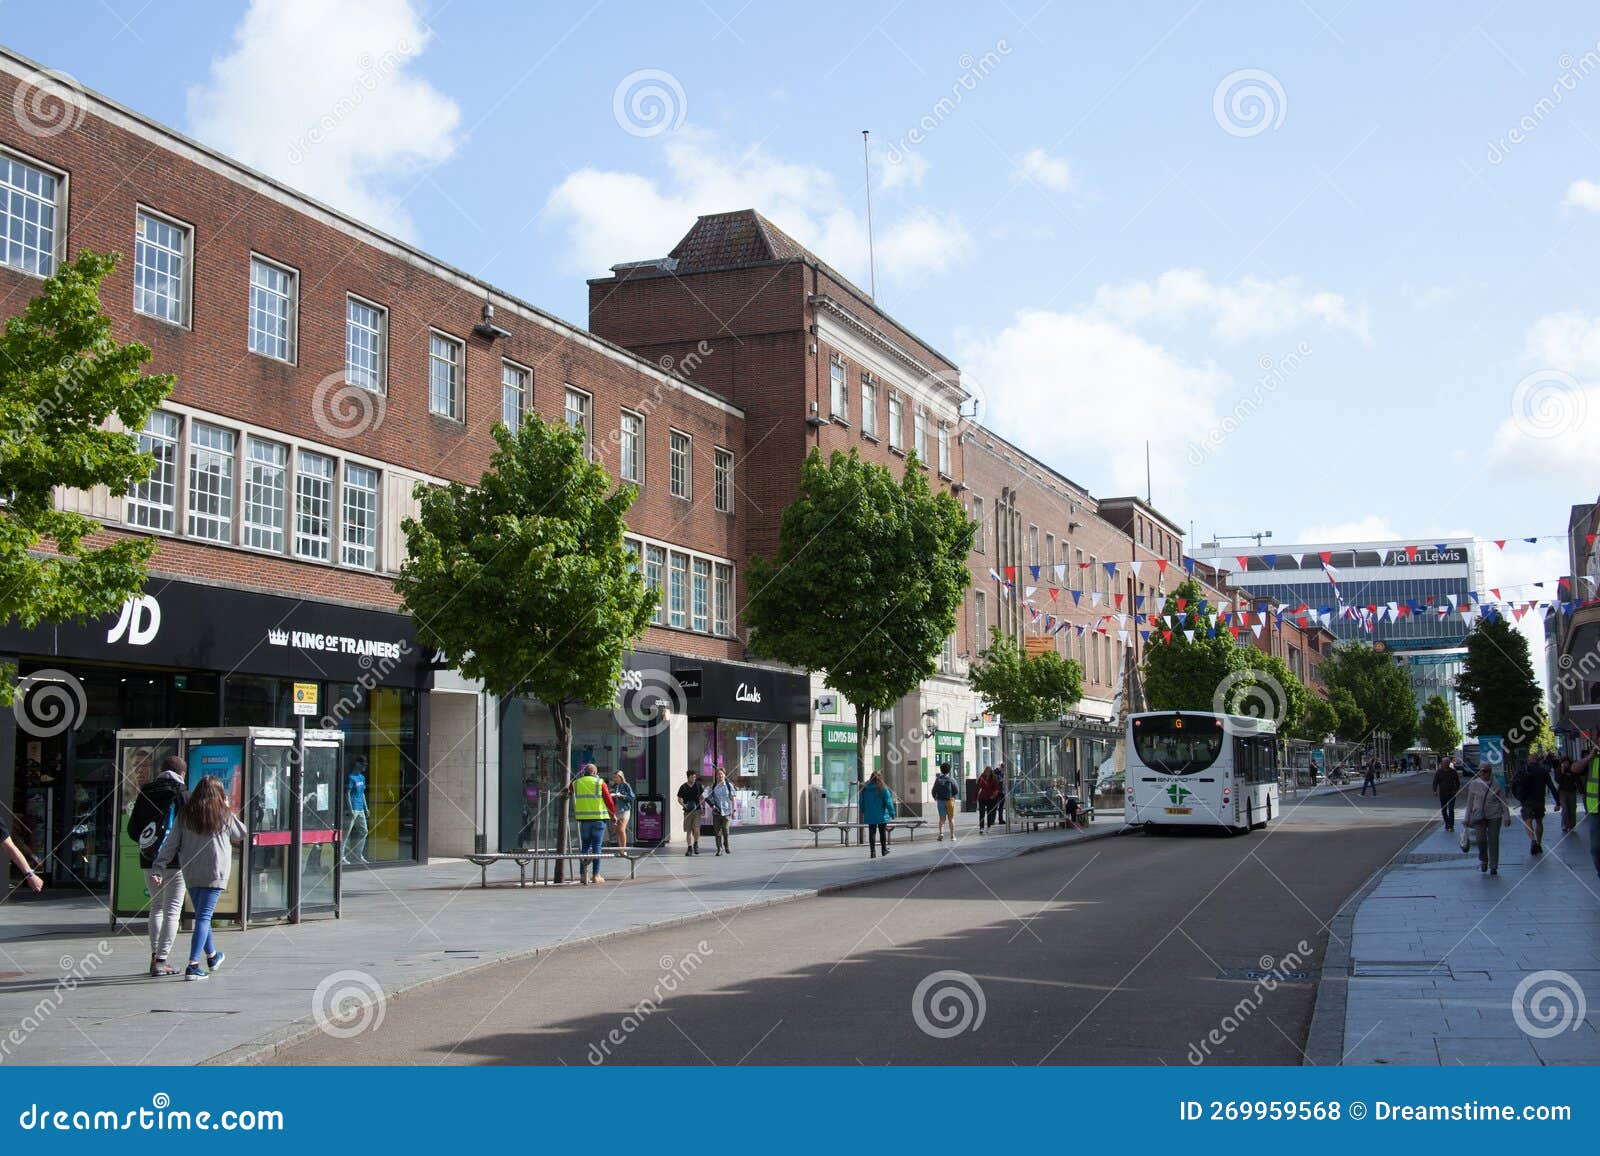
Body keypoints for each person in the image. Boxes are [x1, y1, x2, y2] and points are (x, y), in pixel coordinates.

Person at [150, 776, 245, 980]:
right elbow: (242, 833)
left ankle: (212, 956)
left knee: (203, 915)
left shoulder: (185, 815)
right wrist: (227, 806)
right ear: (220, 794)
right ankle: (193, 965)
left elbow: (170, 844)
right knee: (204, 917)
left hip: (191, 873)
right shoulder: (223, 814)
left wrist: (158, 867)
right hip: (215, 873)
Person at [128, 755, 190, 976]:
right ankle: (162, 960)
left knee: (156, 907)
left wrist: (149, 844)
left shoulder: (146, 792)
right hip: (176, 860)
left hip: (150, 858)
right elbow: (190, 829)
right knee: (173, 910)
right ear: (182, 774)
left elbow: (133, 830)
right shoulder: (183, 794)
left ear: (161, 771)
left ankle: (154, 955)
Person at [562, 763, 615, 884]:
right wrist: (613, 815)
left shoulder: (576, 783)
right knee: (597, 846)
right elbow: (608, 800)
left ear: (584, 772)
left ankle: (583, 875)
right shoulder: (600, 783)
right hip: (599, 819)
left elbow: (569, 790)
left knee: (585, 847)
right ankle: (596, 875)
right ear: (595, 772)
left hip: (584, 819)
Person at [1462, 763, 1512, 876]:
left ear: (1490, 772)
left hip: (1494, 815)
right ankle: (1484, 859)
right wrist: (1466, 818)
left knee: (1493, 840)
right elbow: (1469, 803)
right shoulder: (1474, 784)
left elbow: (1503, 801)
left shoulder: (1496, 784)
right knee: (1481, 839)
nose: (1482, 773)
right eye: (1480, 771)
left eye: (1484, 771)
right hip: (1478, 816)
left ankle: (1493, 866)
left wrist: (1507, 817)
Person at [1514, 757, 1556, 856]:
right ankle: (1539, 842)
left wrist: (1519, 797)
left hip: (1527, 800)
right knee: (1539, 821)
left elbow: (1515, 784)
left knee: (1528, 821)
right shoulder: (1543, 770)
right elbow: (1551, 786)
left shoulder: (1523, 769)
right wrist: (1557, 801)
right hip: (1539, 799)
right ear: (1537, 761)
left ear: (1529, 761)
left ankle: (1532, 840)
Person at [1, 807, 43, 894]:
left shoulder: (25, 827)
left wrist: (30, 874)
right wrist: (30, 874)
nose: (34, 826)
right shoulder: (16, 823)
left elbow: (11, 846)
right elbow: (11, 846)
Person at [858, 771, 896, 858]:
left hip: (870, 814)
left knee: (872, 832)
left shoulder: (865, 788)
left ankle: (873, 852)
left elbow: (861, 801)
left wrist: (863, 810)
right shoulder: (883, 788)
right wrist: (892, 813)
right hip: (882, 814)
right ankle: (884, 850)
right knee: (882, 832)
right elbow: (888, 802)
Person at [343, 756, 370, 865]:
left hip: (360, 808)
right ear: (357, 764)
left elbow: (362, 793)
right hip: (352, 809)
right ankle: (341, 857)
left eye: (365, 765)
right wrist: (350, 809)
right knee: (346, 833)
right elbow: (347, 794)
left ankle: (358, 855)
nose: (365, 767)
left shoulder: (362, 777)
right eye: (363, 765)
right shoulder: (351, 777)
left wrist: (366, 807)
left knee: (364, 831)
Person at [677, 768, 705, 856]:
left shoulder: (698, 785)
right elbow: (679, 799)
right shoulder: (683, 787)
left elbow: (702, 797)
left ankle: (696, 843)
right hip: (687, 811)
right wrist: (683, 805)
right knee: (688, 830)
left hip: (697, 810)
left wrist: (702, 807)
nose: (694, 778)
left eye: (695, 777)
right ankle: (689, 848)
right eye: (692, 777)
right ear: (688, 777)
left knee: (696, 828)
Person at [707, 768, 735, 856]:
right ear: (716, 776)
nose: (720, 775)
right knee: (717, 832)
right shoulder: (713, 786)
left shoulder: (729, 785)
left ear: (724, 775)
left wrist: (734, 811)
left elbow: (733, 799)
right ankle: (719, 849)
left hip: (726, 812)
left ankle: (726, 845)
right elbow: (707, 797)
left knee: (726, 831)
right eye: (718, 774)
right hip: (717, 812)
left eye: (721, 774)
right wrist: (712, 805)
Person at [931, 762, 959, 842]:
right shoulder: (951, 779)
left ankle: (941, 833)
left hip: (940, 801)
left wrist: (935, 797)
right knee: (951, 818)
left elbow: (934, 790)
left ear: (941, 770)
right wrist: (952, 795)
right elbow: (956, 790)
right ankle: (952, 836)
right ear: (949, 770)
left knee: (942, 819)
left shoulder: (938, 779)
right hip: (949, 801)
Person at [1431, 758, 1461, 832]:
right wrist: (1435, 791)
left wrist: (1456, 789)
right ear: (1442, 763)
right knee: (1444, 810)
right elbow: (1435, 782)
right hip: (1442, 793)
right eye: (1444, 763)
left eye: (1447, 763)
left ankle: (1451, 825)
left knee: (1451, 810)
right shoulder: (1439, 772)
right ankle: (1447, 823)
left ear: (1449, 763)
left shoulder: (1453, 772)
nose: (1445, 764)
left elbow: (1457, 782)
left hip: (1451, 793)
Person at [609, 771, 636, 849]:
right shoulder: (614, 786)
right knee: (617, 830)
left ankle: (623, 850)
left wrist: (622, 796)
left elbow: (632, 797)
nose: (615, 779)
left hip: (624, 810)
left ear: (621, 777)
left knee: (621, 829)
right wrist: (610, 794)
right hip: (615, 810)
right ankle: (620, 849)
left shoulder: (626, 785)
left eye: (616, 777)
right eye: (614, 777)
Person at [975, 766, 1001, 833]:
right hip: (982, 797)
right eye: (986, 772)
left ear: (990, 772)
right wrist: (975, 797)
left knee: (989, 813)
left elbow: (996, 789)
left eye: (988, 772)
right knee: (982, 813)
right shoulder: (982, 777)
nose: (987, 773)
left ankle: (989, 826)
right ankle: (981, 828)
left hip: (990, 798)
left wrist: (993, 796)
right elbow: (977, 787)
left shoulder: (994, 778)